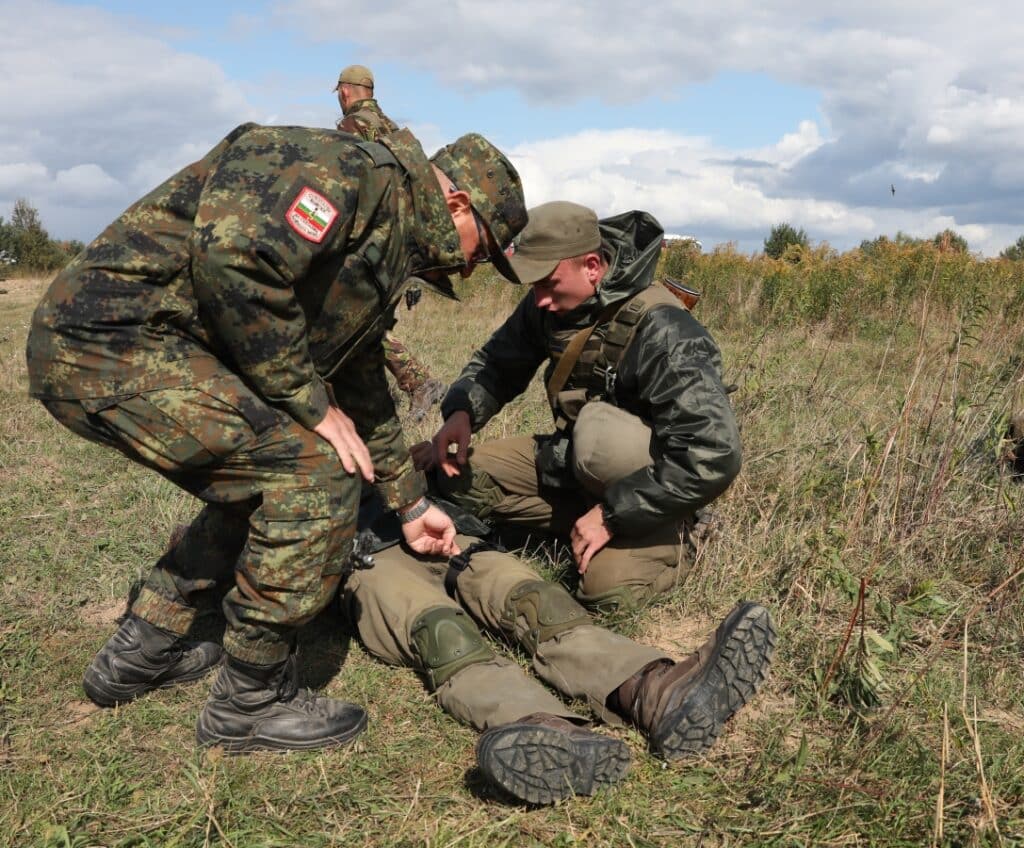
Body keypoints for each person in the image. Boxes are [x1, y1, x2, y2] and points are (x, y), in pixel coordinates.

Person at [25, 122, 527, 753]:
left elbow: (360, 373)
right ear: (456, 203)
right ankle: (250, 702)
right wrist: (309, 402)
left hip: (137, 347)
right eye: (484, 249)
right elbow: (236, 258)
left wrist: (409, 502)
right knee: (315, 469)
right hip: (110, 343)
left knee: (271, 473)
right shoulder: (350, 173)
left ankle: (144, 647)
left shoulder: (389, 229)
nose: (472, 267)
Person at [341, 493, 776, 805]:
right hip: (362, 555)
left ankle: (656, 692)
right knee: (444, 637)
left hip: (431, 525)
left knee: (541, 605)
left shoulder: (365, 413)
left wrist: (414, 500)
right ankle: (545, 732)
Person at [422, 201, 742, 611]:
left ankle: (684, 537)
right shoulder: (549, 302)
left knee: (604, 593)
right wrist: (462, 412)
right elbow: (498, 363)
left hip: (650, 489)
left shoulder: (667, 332)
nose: (539, 299)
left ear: (592, 266)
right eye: (534, 286)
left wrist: (612, 514)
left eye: (548, 284)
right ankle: (577, 521)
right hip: (573, 463)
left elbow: (713, 453)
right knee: (454, 478)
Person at [334, 63, 447, 419]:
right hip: (401, 242)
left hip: (371, 240)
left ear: (344, 91)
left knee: (357, 320)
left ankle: (418, 383)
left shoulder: (353, 126)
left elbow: (348, 187)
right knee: (368, 321)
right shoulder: (394, 130)